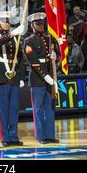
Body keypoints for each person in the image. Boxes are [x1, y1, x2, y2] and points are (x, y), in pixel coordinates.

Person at [0, 11, 26, 147]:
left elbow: (20, 58)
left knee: (14, 108)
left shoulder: (15, 37)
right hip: (0, 76)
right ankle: (5, 137)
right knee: (3, 109)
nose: (7, 23)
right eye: (4, 21)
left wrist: (21, 76)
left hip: (14, 76)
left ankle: (13, 136)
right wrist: (13, 33)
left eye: (8, 21)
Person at [24, 12, 59, 144]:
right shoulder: (29, 41)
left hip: (50, 75)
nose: (40, 26)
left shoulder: (50, 38)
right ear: (32, 25)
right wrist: (45, 76)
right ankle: (41, 136)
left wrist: (57, 59)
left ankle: (50, 135)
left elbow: (58, 55)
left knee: (50, 108)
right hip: (38, 79)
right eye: (37, 24)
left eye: (41, 23)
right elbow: (33, 61)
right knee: (38, 109)